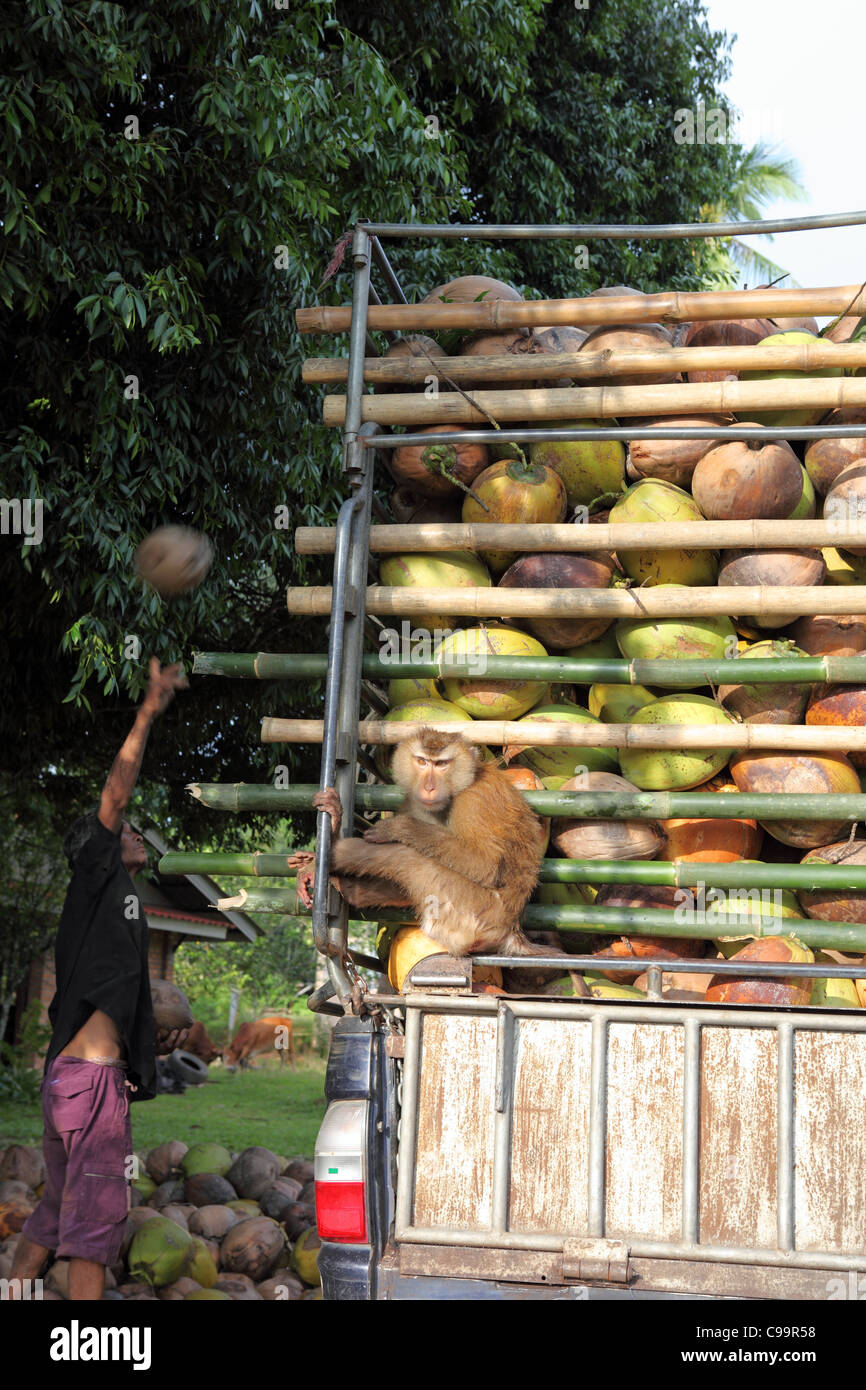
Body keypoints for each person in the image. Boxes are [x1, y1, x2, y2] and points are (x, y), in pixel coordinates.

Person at [11, 658, 189, 1301]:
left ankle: (16, 1292)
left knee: (59, 1210)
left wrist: (153, 1040)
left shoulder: (125, 906)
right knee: (93, 1220)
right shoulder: (96, 874)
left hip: (72, 1079)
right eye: (128, 827)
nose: (135, 829)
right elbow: (115, 793)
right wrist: (147, 710)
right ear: (102, 845)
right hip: (89, 1088)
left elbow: (121, 990)